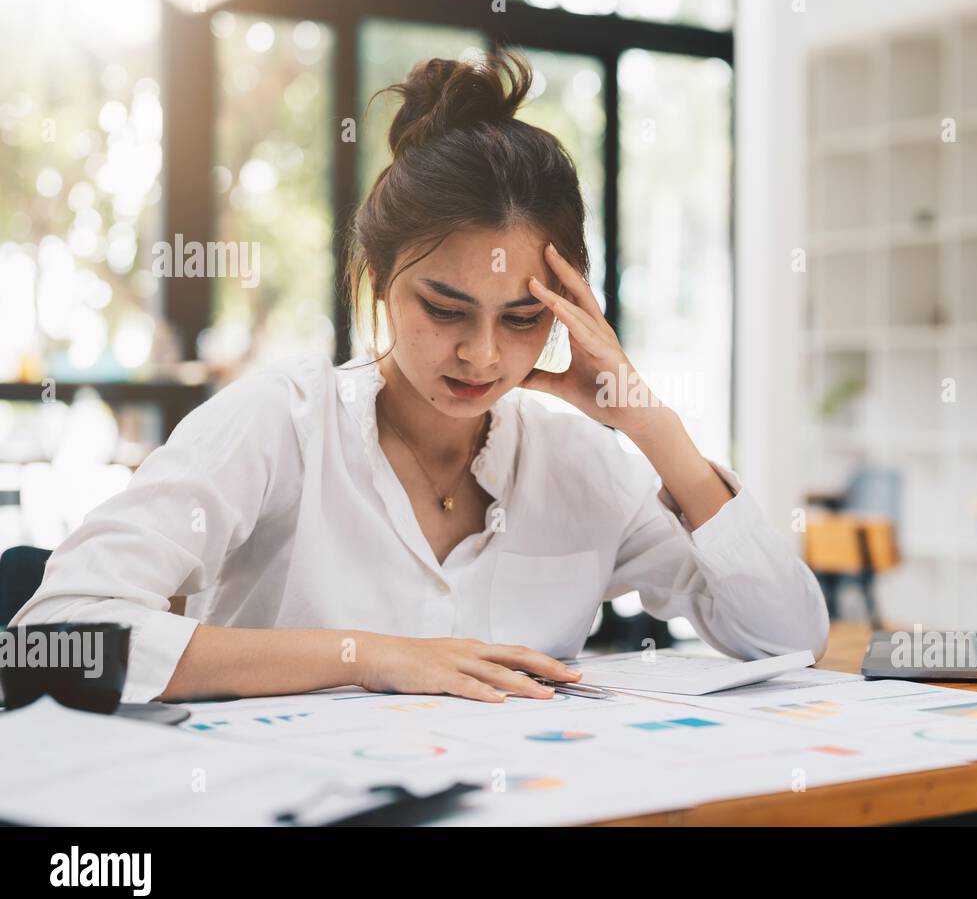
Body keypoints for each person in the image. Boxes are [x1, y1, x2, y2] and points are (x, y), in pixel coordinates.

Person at [11, 49, 829, 705]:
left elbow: (789, 637)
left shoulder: (578, 464)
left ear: (571, 308)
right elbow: (56, 634)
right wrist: (367, 657)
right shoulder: (281, 424)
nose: (480, 354)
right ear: (377, 280)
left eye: (521, 318)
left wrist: (650, 423)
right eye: (444, 309)